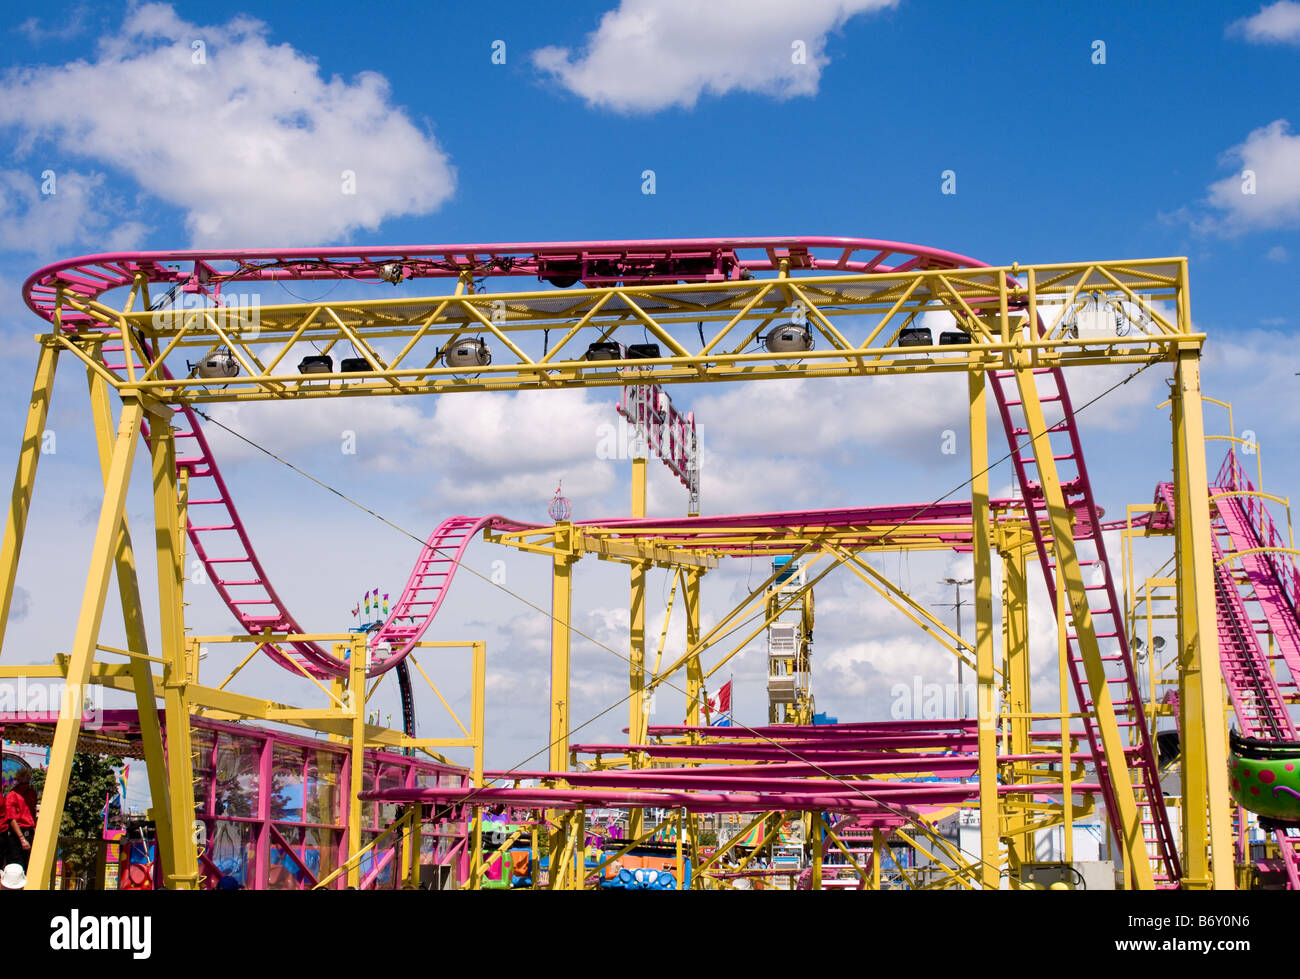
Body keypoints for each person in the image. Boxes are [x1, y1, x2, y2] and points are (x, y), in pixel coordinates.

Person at [5, 769, 37, 871]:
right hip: (17, 832)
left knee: (29, 863)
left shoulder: (31, 793)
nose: (25, 786)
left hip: (30, 830)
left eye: (27, 783)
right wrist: (22, 838)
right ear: (19, 781)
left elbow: (33, 813)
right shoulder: (12, 795)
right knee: (17, 865)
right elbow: (11, 819)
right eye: (23, 783)